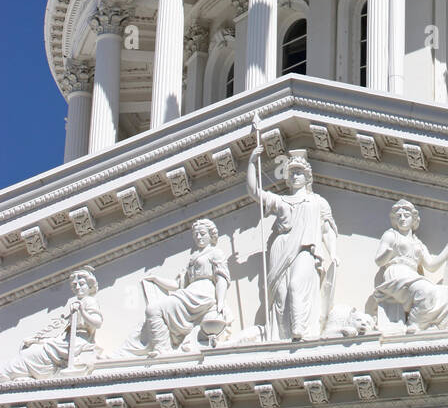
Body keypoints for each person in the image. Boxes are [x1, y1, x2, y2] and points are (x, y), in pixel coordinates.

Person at [247, 142, 338, 341]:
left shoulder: (317, 201)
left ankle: (300, 329)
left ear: (307, 177)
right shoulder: (281, 201)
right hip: (280, 249)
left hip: (305, 248)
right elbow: (254, 192)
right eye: (292, 173)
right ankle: (283, 336)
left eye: (299, 173)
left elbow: (326, 229)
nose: (295, 176)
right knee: (280, 296)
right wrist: (252, 162)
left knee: (296, 285)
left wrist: (333, 253)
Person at [125, 219, 229, 356]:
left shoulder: (216, 253)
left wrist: (220, 303)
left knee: (154, 309)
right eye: (196, 234)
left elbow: (221, 278)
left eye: (202, 233)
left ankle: (162, 349)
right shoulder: (193, 257)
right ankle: (162, 348)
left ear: (211, 235)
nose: (198, 237)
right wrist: (156, 279)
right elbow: (177, 284)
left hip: (202, 294)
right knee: (153, 309)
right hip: (188, 293)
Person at [374, 199, 448, 333]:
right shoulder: (391, 235)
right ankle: (415, 323)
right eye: (399, 216)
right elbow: (379, 261)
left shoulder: (418, 243)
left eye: (406, 216)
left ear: (414, 219)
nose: (402, 219)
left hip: (412, 275)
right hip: (397, 273)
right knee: (426, 291)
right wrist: (389, 251)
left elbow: (431, 265)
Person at [0, 266, 103, 381]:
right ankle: (14, 373)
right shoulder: (78, 302)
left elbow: (97, 323)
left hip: (78, 341)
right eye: (74, 285)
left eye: (81, 284)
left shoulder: (89, 301)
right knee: (34, 348)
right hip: (67, 340)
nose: (78, 287)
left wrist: (82, 311)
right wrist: (38, 340)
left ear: (90, 285)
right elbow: (62, 335)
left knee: (31, 354)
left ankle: (8, 372)